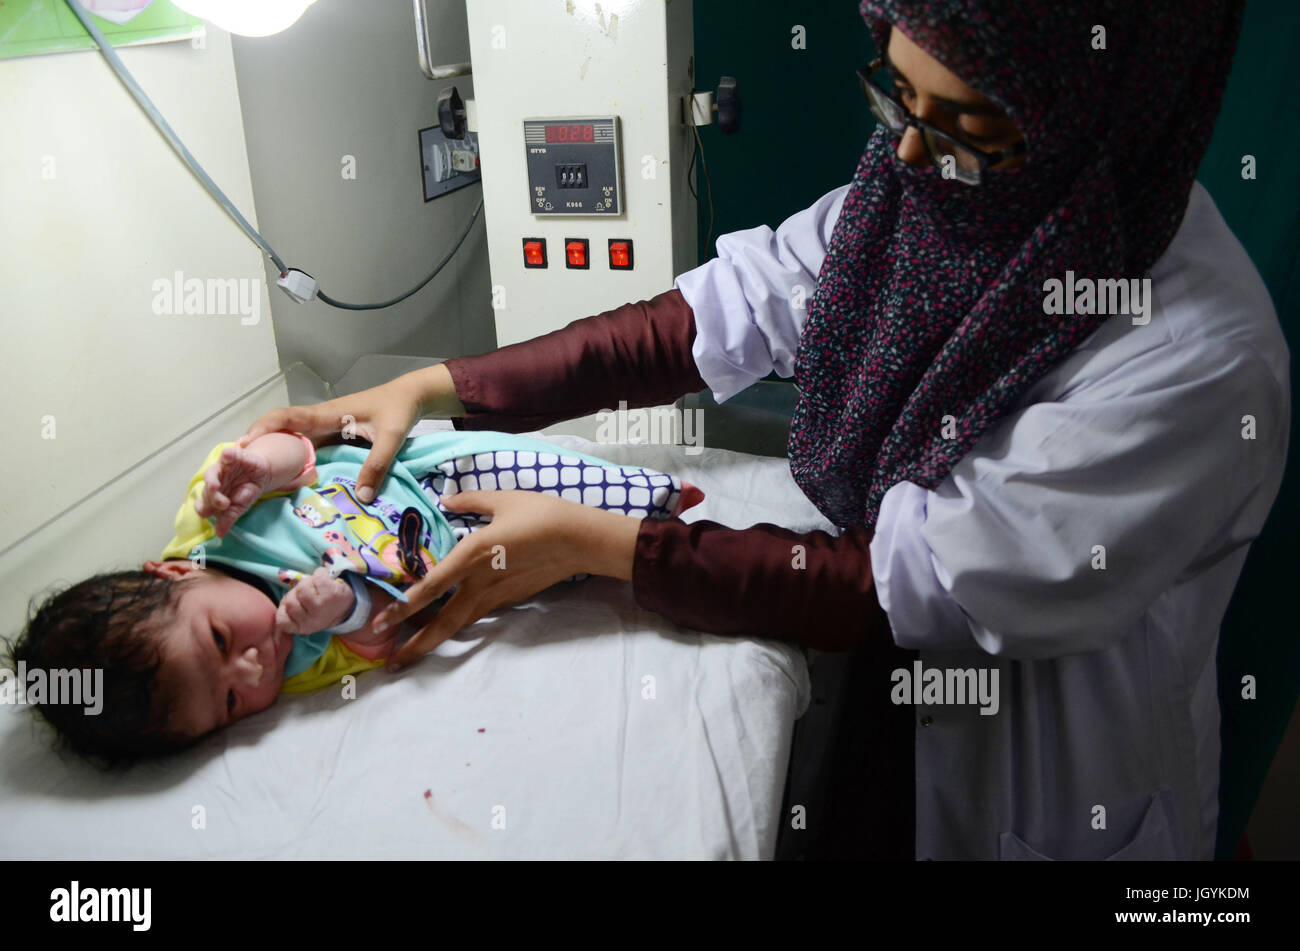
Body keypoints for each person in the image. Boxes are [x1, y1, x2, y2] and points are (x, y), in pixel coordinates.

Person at [242, 0, 1289, 860]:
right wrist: (439, 385)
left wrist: (589, 544)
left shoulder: (1194, 364)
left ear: (1090, 127)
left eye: (973, 130)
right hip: (885, 702)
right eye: (895, 92)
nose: (914, 154)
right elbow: (706, 319)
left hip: (1041, 772)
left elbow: (907, 591)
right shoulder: (914, 202)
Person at [8, 428, 697, 766]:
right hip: (456, 557)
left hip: (423, 478)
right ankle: (652, 533)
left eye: (219, 641)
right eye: (227, 704)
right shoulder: (304, 657)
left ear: (172, 574)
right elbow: (383, 640)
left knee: (547, 470)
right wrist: (346, 610)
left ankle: (652, 493)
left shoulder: (211, 514)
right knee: (569, 558)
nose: (252, 668)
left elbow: (301, 456)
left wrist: (258, 467)